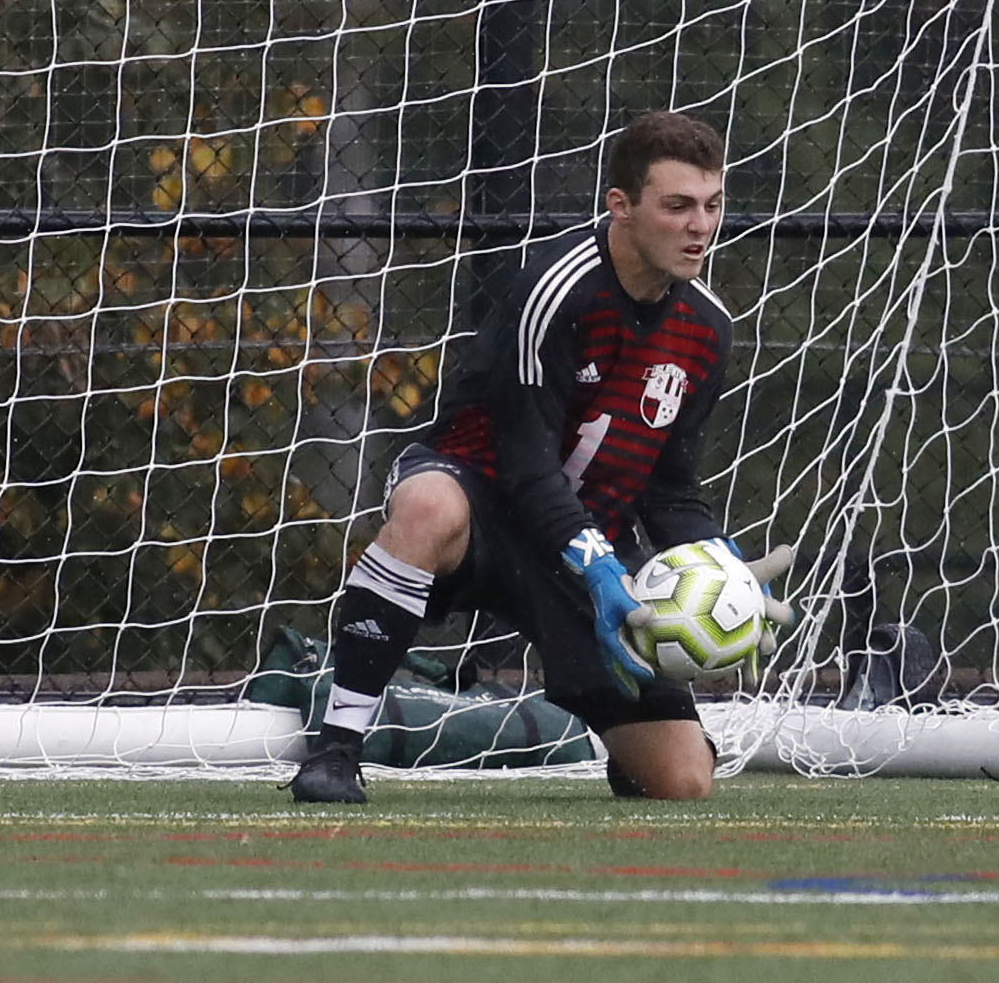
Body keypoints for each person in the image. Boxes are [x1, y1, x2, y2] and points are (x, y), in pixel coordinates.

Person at [289, 109, 790, 803]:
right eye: (676, 206)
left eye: (711, 205)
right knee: (427, 505)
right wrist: (603, 568)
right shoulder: (554, 290)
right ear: (621, 206)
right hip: (485, 502)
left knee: (681, 783)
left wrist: (723, 569)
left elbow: (669, 488)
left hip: (581, 546)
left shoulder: (707, 327)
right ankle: (335, 751)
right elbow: (525, 465)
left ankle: (616, 721)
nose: (700, 226)